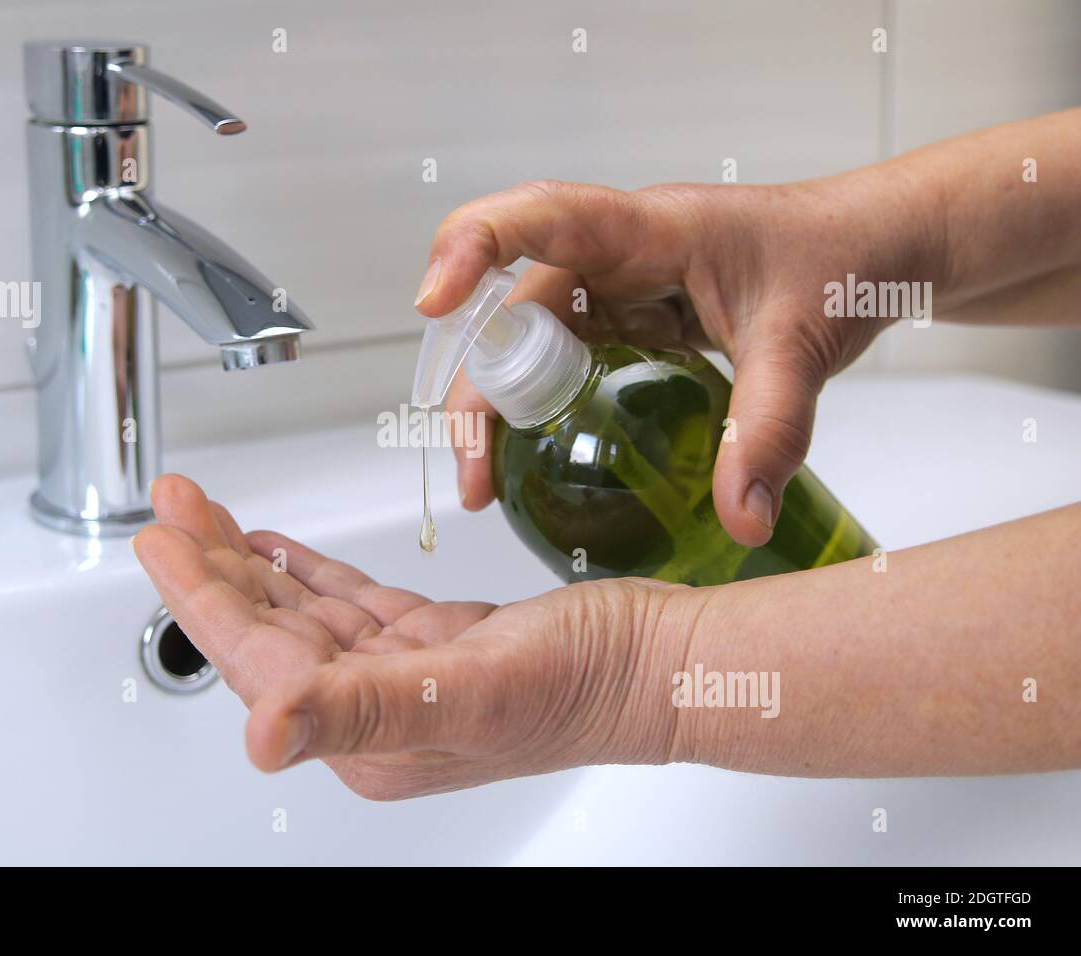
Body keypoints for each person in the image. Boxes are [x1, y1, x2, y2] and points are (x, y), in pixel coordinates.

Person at [133, 109, 1081, 800]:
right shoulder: (538, 470)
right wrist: (876, 231)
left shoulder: (643, 389)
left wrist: (642, 680)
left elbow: (652, 666)